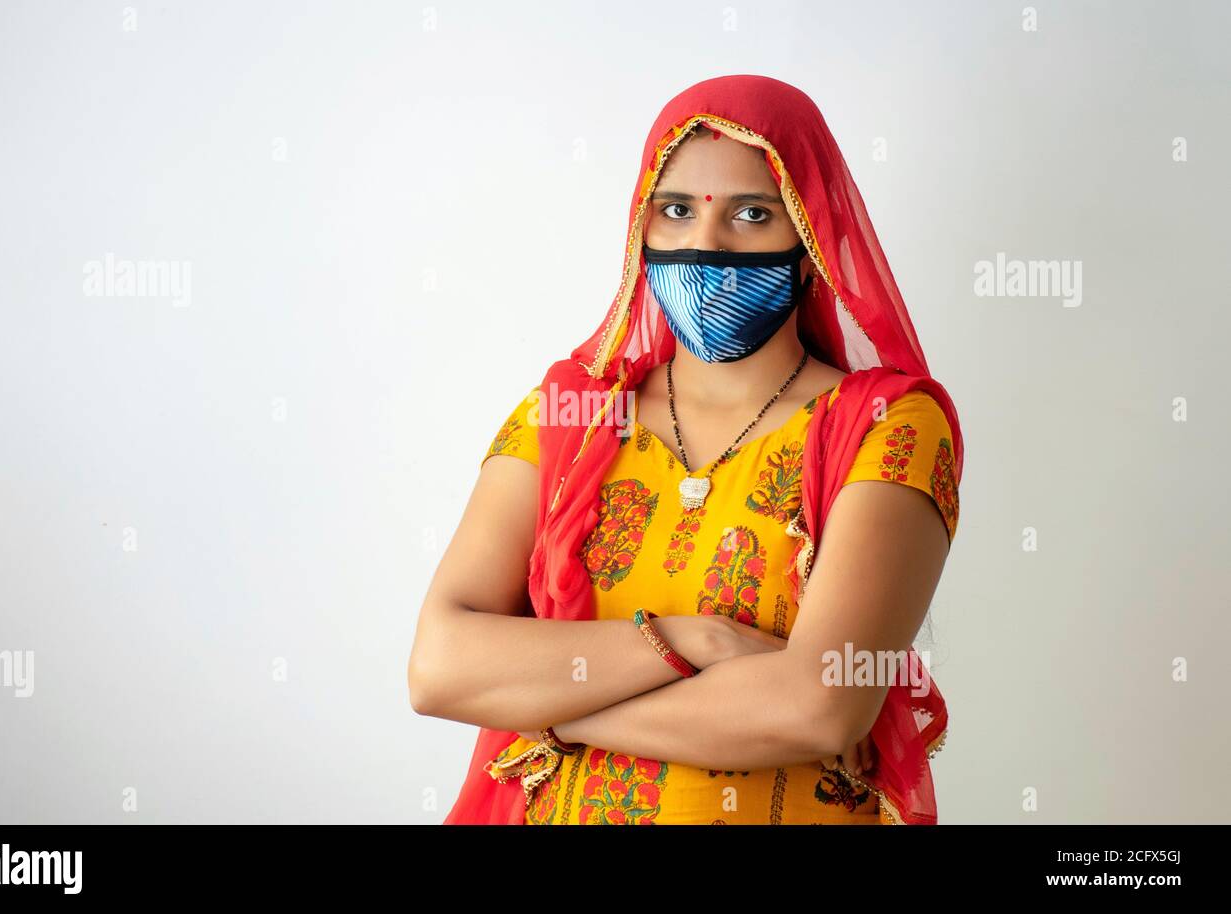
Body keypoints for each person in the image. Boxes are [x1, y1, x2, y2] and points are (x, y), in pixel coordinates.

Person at [409, 74, 965, 825]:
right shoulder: (567, 417)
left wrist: (553, 714)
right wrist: (695, 639)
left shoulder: (885, 427)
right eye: (676, 212)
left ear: (808, 240)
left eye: (751, 214)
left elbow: (819, 706)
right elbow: (440, 666)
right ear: (642, 231)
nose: (706, 247)